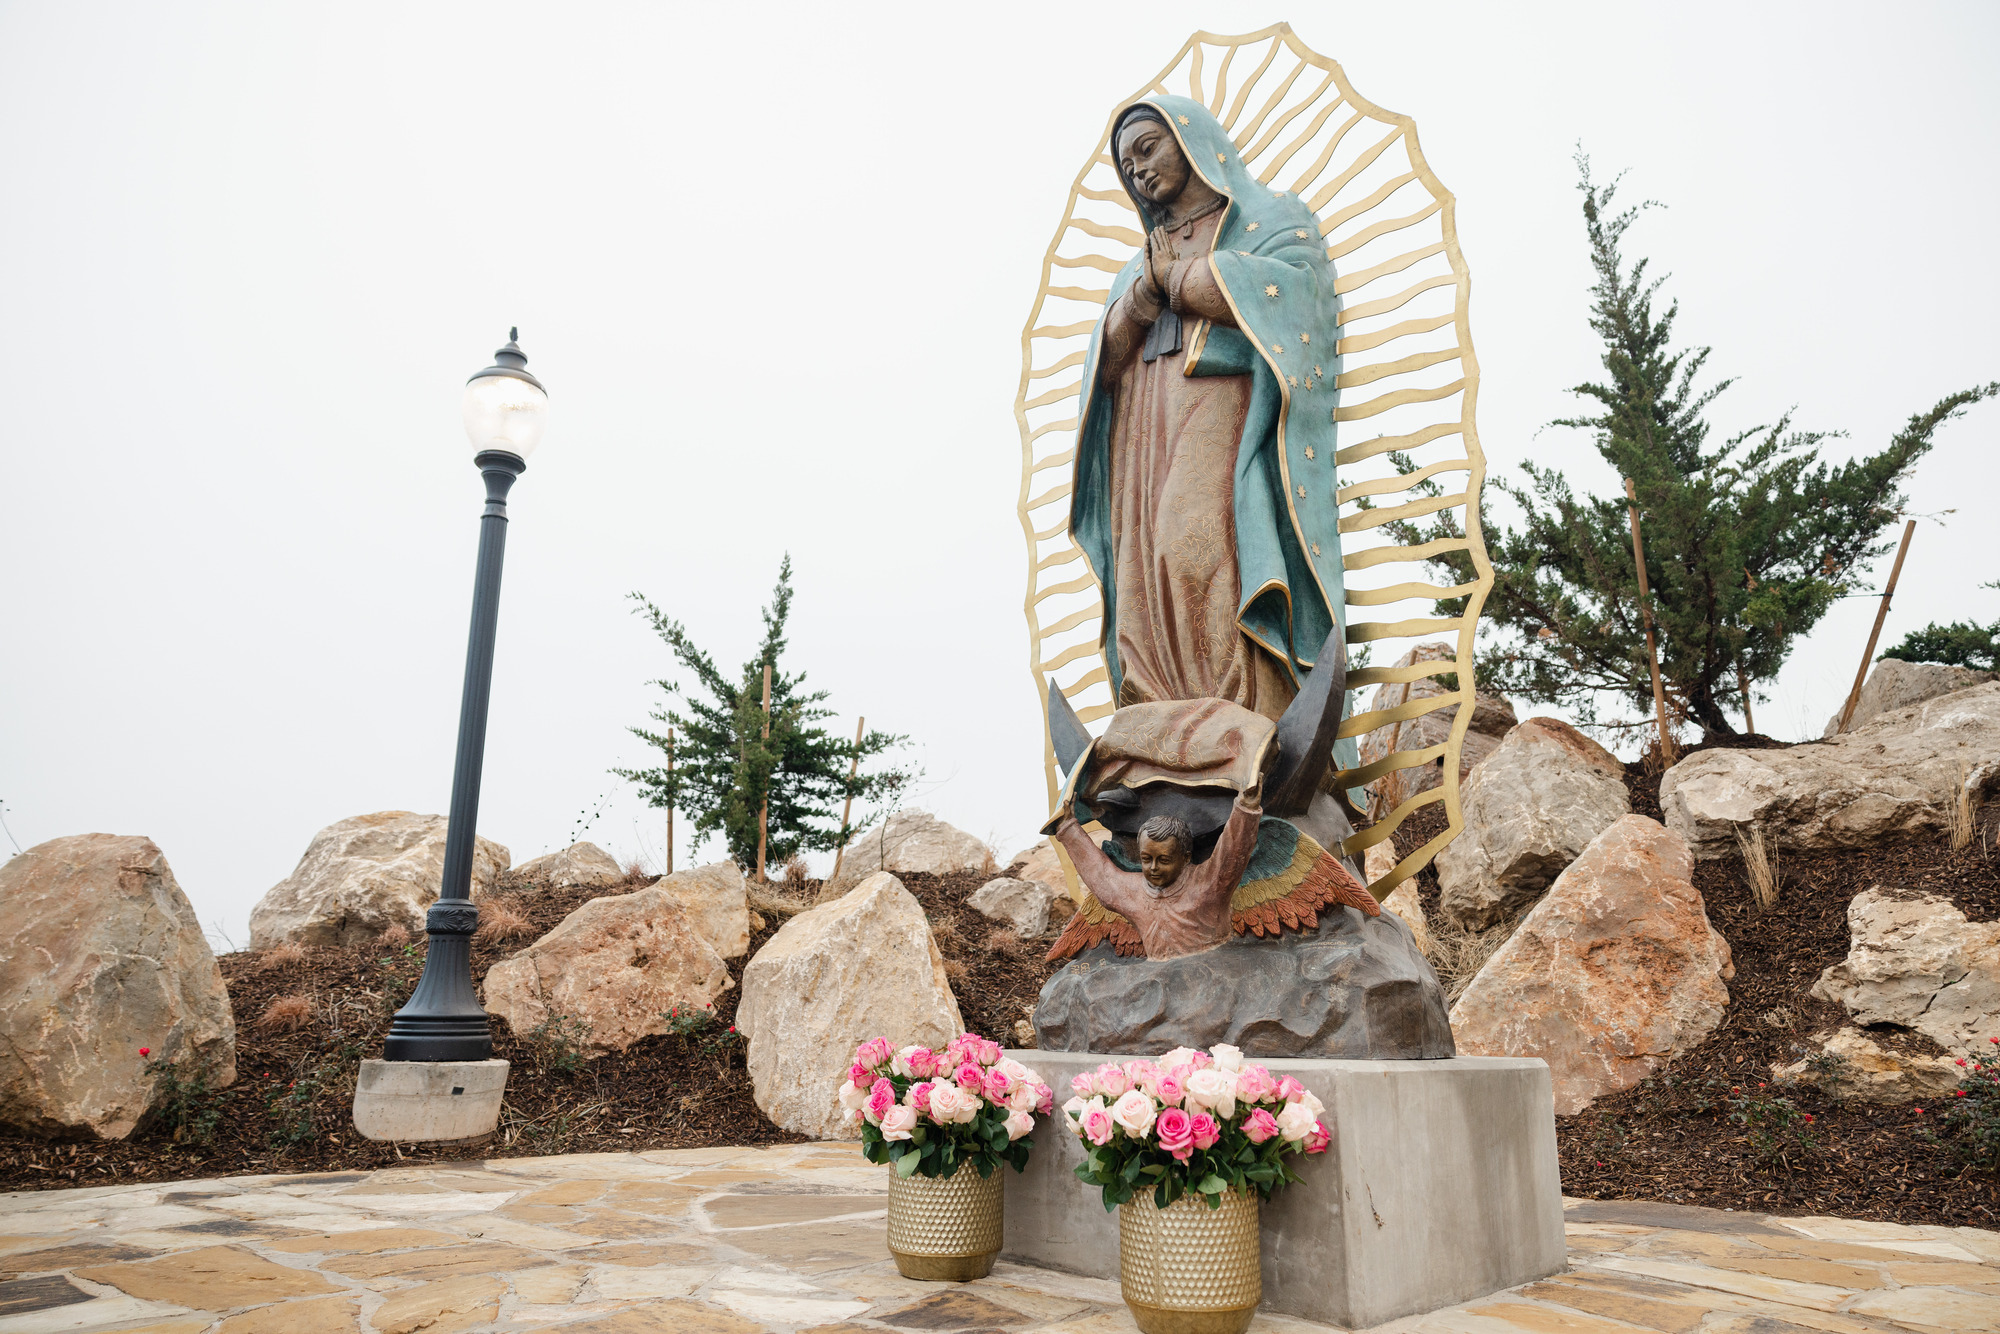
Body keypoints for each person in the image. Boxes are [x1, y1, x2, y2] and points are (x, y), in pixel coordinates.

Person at [1069, 95, 1351, 776]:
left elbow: (1301, 302)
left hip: (1225, 410)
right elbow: (1101, 367)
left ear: (1194, 141)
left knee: (1192, 542)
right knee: (1145, 573)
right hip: (1144, 423)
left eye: (1148, 148)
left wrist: (1188, 280)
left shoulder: (1271, 219)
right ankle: (1159, 722)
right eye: (1125, 162)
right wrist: (1137, 302)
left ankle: (1246, 716)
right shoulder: (1135, 265)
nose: (1137, 170)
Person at [1049, 790, 1262, 961]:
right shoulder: (1134, 892)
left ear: (1186, 858)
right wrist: (1067, 827)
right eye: (1146, 859)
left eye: (1164, 860)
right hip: (1157, 976)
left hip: (1210, 970)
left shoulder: (1207, 884)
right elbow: (1101, 875)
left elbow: (1232, 853)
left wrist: (1246, 809)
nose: (1153, 867)